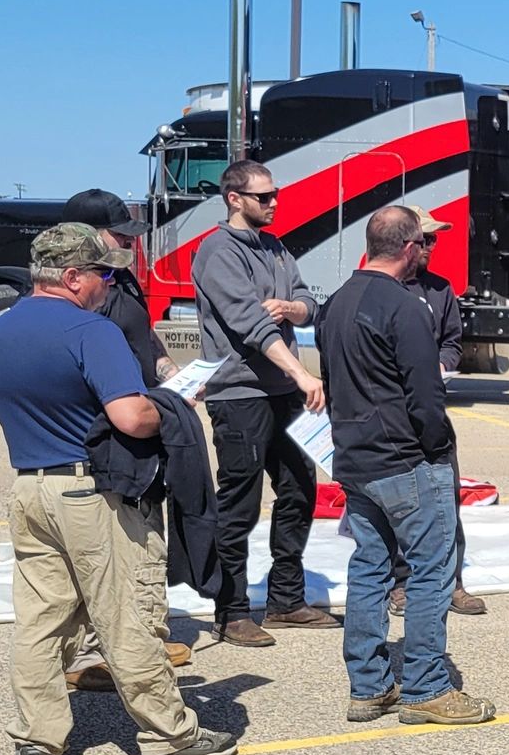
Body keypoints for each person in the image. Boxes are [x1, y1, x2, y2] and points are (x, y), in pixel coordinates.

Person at [0, 223, 235, 755]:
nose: (109, 282)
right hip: (92, 494)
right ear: (71, 277)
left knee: (40, 622)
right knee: (129, 616)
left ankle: (36, 743)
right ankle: (170, 735)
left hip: (30, 487)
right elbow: (130, 417)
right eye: (102, 272)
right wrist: (169, 404)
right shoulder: (90, 330)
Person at [317, 206, 495, 727]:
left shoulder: (336, 304)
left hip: (355, 458)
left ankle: (368, 686)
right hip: (406, 459)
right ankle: (425, 687)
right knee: (431, 572)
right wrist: (438, 451)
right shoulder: (405, 307)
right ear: (412, 247)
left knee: (371, 567)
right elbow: (426, 397)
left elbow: (334, 383)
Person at [194, 160, 335, 647]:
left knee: (300, 490)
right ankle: (231, 610)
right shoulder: (217, 252)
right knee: (241, 501)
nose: (274, 203)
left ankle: (286, 601)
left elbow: (307, 304)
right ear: (234, 198)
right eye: (264, 196)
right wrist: (300, 372)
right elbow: (248, 326)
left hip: (283, 394)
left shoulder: (275, 248)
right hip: (240, 394)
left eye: (275, 195)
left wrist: (293, 309)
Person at [59, 188, 190, 677]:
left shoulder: (117, 278)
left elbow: (143, 336)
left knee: (140, 539)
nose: (130, 244)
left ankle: (138, 636)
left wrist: (165, 367)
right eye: (119, 234)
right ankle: (96, 653)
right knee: (112, 549)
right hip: (109, 430)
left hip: (141, 407)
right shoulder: (82, 295)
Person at [391, 207, 484, 617]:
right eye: (425, 239)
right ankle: (402, 582)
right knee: (400, 502)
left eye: (435, 240)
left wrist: (441, 367)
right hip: (394, 417)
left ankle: (453, 580)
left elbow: (452, 341)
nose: (431, 247)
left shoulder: (441, 290)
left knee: (447, 496)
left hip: (433, 410)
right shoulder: (386, 289)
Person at [62, 187, 174, 384]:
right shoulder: (70, 290)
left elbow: (141, 331)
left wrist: (171, 373)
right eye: (120, 233)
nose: (130, 240)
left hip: (141, 400)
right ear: (88, 236)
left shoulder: (123, 275)